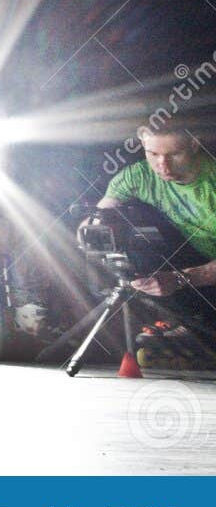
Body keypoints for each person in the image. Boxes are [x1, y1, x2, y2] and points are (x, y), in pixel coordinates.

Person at [94, 119, 216, 367]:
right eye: (153, 154)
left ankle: (202, 331)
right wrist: (91, 230)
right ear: (143, 144)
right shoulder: (137, 176)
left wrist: (181, 279)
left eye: (174, 154)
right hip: (198, 263)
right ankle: (195, 325)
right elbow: (98, 217)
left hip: (205, 273)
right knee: (137, 239)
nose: (163, 165)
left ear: (194, 144)